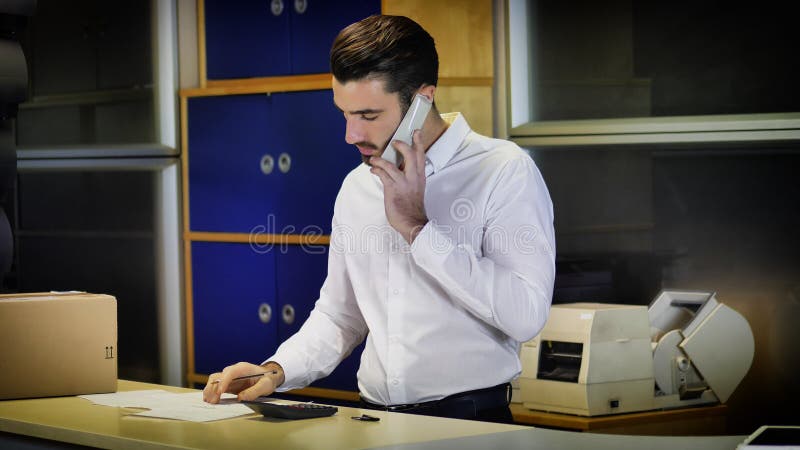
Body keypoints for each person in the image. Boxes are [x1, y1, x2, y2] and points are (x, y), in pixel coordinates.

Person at [203, 14, 555, 423]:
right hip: (375, 421)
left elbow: (525, 315)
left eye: (368, 116)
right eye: (344, 114)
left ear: (422, 99)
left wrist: (417, 229)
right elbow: (341, 316)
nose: (350, 135)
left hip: (471, 422)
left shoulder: (503, 170)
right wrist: (277, 371)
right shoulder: (358, 186)